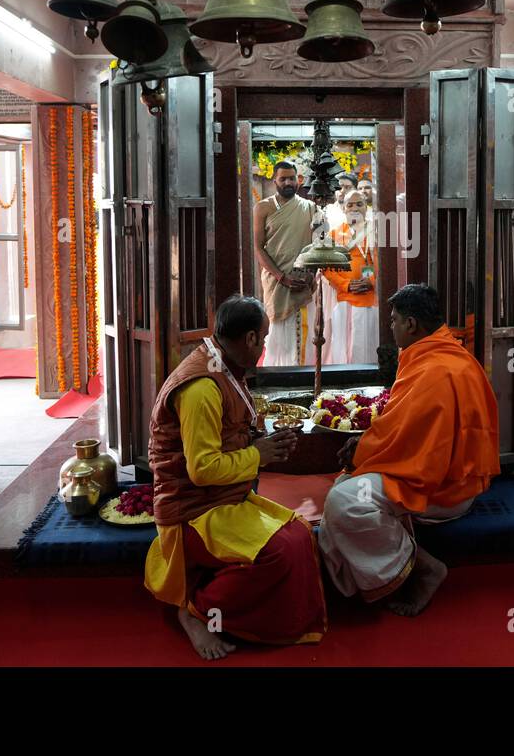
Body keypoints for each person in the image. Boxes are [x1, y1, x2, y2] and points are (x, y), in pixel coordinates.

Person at [144, 295, 327, 659]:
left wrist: (261, 444)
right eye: (263, 338)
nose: (263, 346)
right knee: (278, 553)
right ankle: (196, 612)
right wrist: (257, 456)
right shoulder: (202, 388)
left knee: (299, 536)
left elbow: (227, 438)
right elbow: (202, 470)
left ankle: (260, 617)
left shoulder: (223, 366)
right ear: (249, 340)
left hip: (223, 498)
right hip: (192, 511)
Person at [318, 284, 500, 616]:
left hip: (444, 490)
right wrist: (365, 449)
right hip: (452, 479)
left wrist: (361, 452)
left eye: (394, 320)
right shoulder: (445, 355)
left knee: (344, 501)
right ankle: (359, 579)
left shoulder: (434, 370)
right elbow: (405, 431)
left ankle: (422, 569)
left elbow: (408, 443)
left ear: (411, 324)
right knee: (344, 487)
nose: (391, 326)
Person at [254, 161, 316, 365]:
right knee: (277, 337)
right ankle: (279, 376)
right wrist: (282, 278)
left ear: (298, 180)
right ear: (275, 181)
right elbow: (258, 248)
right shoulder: (263, 207)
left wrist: (311, 274)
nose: (288, 182)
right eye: (283, 178)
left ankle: (304, 378)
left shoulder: (309, 207)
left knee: (305, 335)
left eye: (292, 178)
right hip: (276, 282)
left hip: (302, 282)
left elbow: (318, 245)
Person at [323, 189, 378, 364]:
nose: (354, 208)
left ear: (366, 207)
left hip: (370, 299)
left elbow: (377, 261)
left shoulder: (375, 231)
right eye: (350, 205)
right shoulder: (335, 234)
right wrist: (346, 284)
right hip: (344, 298)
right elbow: (327, 267)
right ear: (344, 209)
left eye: (359, 204)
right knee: (343, 347)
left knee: (368, 346)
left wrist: (369, 281)